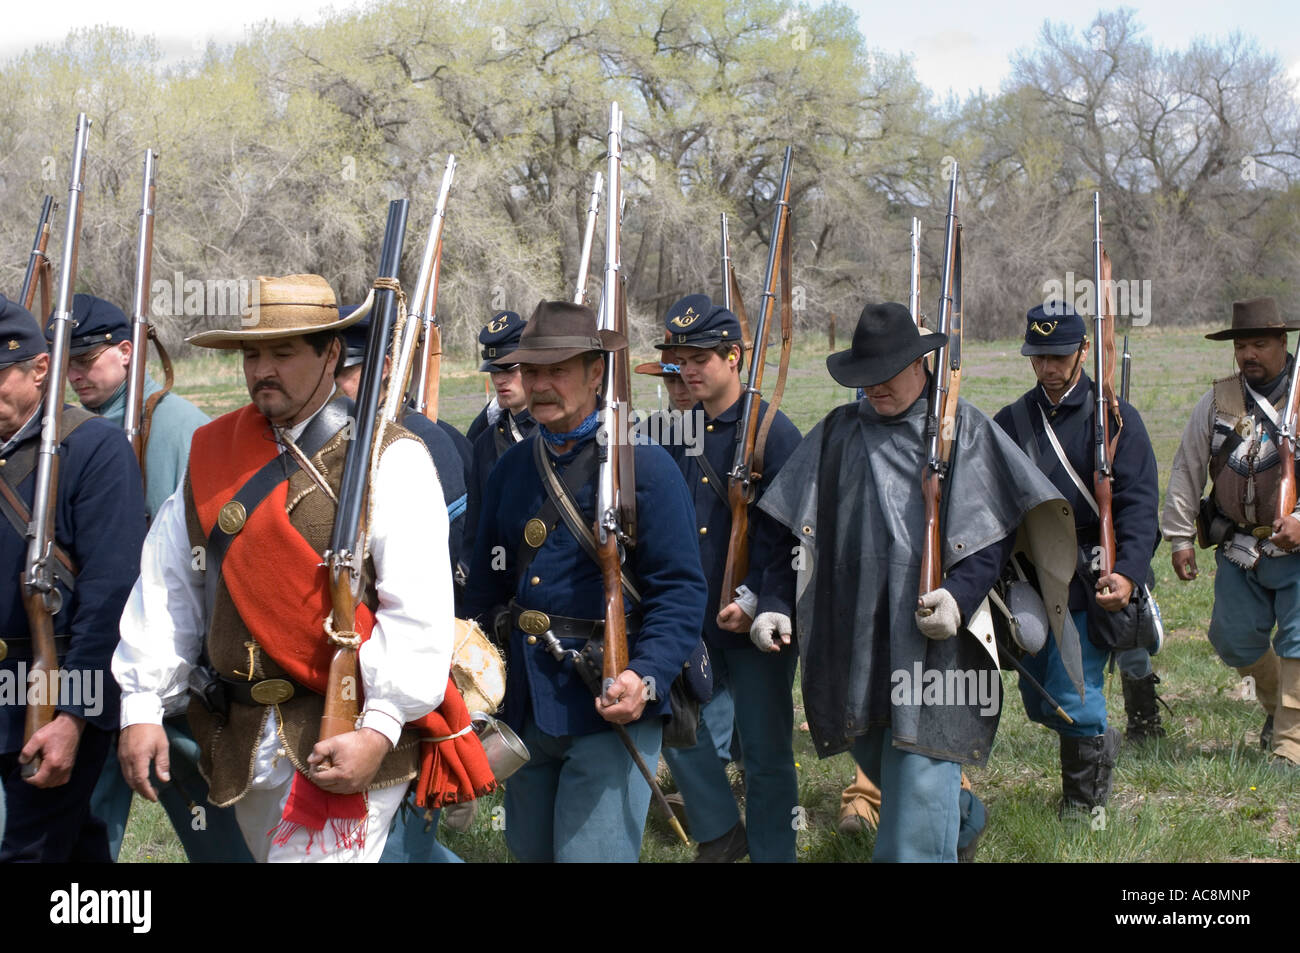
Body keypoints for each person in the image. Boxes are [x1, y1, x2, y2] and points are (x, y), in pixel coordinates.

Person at [113, 274, 464, 862]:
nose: (262, 370)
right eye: (252, 354)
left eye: (282, 352)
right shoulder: (213, 452)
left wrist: (378, 728)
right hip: (244, 731)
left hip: (343, 724)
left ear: (331, 354)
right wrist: (143, 704)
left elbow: (417, 614)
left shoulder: (392, 457)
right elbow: (169, 586)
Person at [757, 301, 1076, 862]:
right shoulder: (835, 433)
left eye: (885, 376)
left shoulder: (963, 431)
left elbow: (991, 531)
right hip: (854, 633)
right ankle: (960, 818)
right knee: (880, 756)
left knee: (920, 769)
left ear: (919, 366)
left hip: (936, 640)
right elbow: (795, 531)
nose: (874, 389)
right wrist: (776, 601)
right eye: (865, 379)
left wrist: (960, 594)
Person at [464, 299, 707, 862]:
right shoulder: (513, 467)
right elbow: (485, 586)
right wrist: (473, 686)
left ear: (596, 373)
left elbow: (679, 591)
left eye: (558, 370)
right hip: (522, 699)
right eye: (531, 371)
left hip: (607, 696)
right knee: (530, 852)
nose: (540, 385)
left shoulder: (644, 465)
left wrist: (645, 676)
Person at [63, 294, 251, 862]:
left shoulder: (177, 426)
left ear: (126, 352)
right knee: (80, 817)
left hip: (172, 664)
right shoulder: (72, 429)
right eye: (66, 362)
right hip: (90, 648)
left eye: (86, 359)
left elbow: (203, 556)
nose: (74, 373)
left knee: (223, 828)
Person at [649, 294, 801, 863]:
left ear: (734, 356)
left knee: (765, 754)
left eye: (700, 358)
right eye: (679, 359)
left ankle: (772, 853)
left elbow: (792, 534)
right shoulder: (665, 431)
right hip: (685, 615)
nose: (686, 370)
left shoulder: (773, 433)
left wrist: (760, 598)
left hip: (757, 622)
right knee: (677, 729)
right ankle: (719, 831)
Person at [993, 302, 1160, 817]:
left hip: (1090, 575)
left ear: (1083, 351)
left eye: (1059, 355)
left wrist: (1129, 572)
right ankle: (1095, 743)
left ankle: (1084, 810)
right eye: (1038, 356)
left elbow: (1138, 507)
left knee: (1077, 694)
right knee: (1044, 700)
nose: (1047, 367)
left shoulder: (1116, 420)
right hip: (1032, 576)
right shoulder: (1012, 421)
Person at [0, 294, 148, 861]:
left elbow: (110, 595)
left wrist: (74, 717)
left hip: (49, 689)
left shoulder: (92, 448)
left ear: (40, 370)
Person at [1162, 297, 1300, 764]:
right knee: (1232, 638)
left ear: (1283, 343)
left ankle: (1290, 745)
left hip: (1298, 546)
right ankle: (1276, 706)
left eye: (1259, 344)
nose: (1248, 355)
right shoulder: (1219, 400)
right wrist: (1181, 537)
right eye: (1242, 346)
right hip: (1239, 546)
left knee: (1298, 639)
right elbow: (1187, 468)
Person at [464, 311, 535, 551]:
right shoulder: (484, 441)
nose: (500, 380)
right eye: (495, 371)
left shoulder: (557, 432)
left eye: (509, 369)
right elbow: (476, 528)